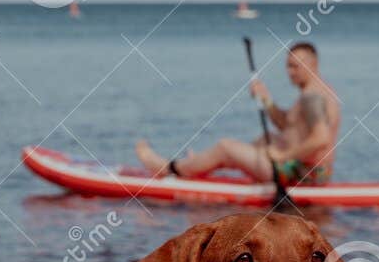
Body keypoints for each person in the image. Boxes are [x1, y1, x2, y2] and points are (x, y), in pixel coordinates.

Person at [136, 41, 340, 185]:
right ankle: (198, 164)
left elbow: (320, 139)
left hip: (301, 175)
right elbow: (287, 125)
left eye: (296, 67)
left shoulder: (311, 97)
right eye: (288, 66)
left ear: (313, 64)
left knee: (225, 147)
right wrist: (266, 99)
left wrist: (282, 156)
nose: (290, 72)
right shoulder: (319, 91)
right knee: (265, 140)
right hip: (312, 172)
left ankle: (167, 168)